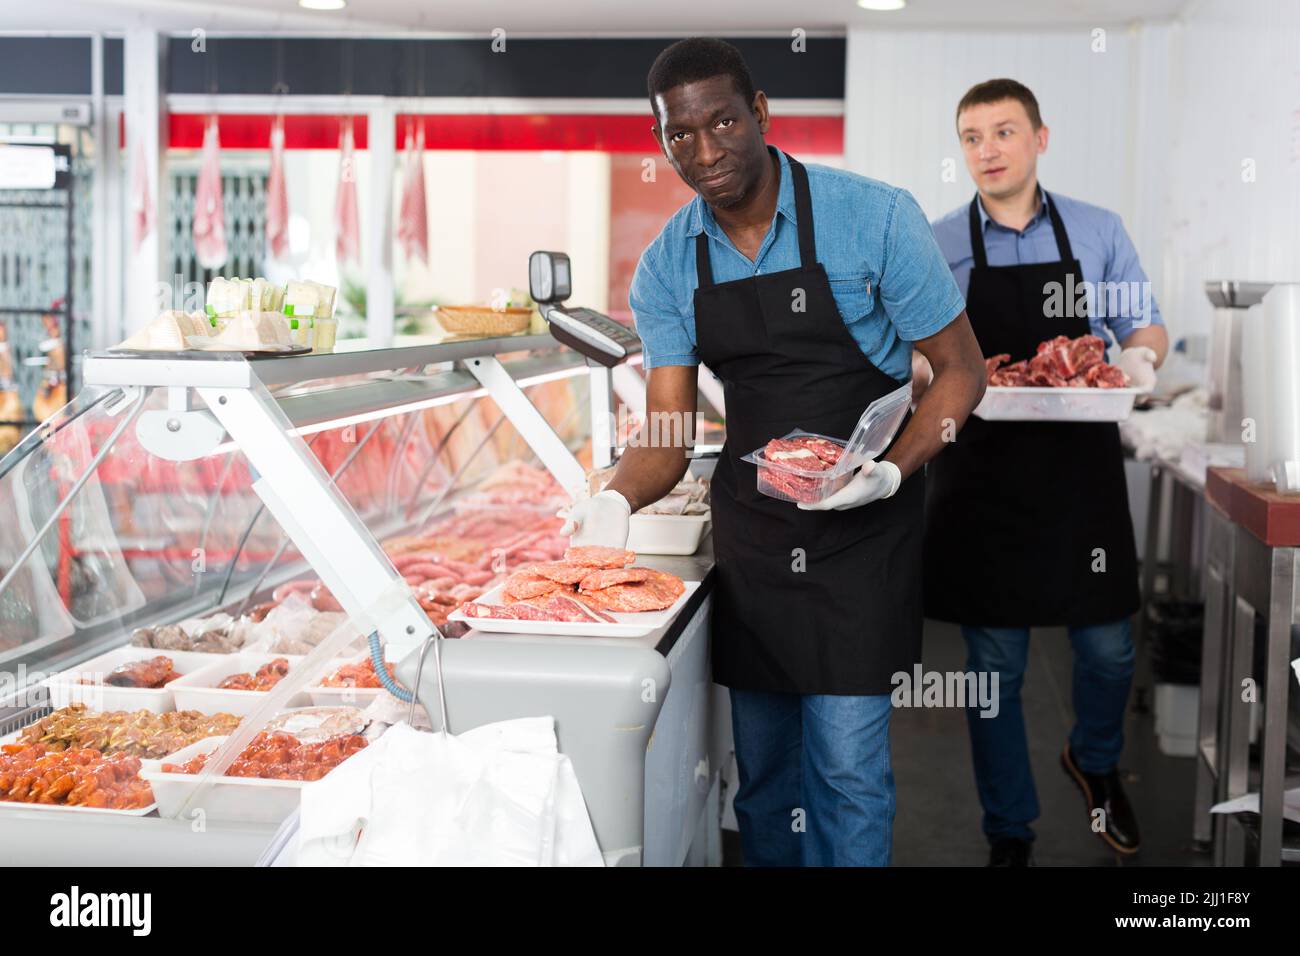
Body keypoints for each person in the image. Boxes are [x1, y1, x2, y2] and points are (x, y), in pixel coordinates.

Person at [563, 37, 986, 866]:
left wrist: (890, 470)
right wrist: (614, 499)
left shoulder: (874, 216)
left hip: (864, 530)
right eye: (680, 135)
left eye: (722, 122)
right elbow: (671, 436)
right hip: (756, 538)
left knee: (848, 768)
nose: (706, 151)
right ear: (662, 142)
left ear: (759, 113)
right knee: (761, 777)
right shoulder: (666, 266)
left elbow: (963, 373)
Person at [924, 78, 1169, 866]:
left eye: (1002, 132)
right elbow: (917, 347)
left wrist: (1137, 358)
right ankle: (1010, 832)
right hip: (983, 477)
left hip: (1081, 474)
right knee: (994, 667)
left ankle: (1094, 761)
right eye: (971, 137)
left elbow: (1145, 322)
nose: (986, 150)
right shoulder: (938, 242)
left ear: (1039, 138)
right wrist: (925, 378)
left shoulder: (1098, 231)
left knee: (1108, 649)